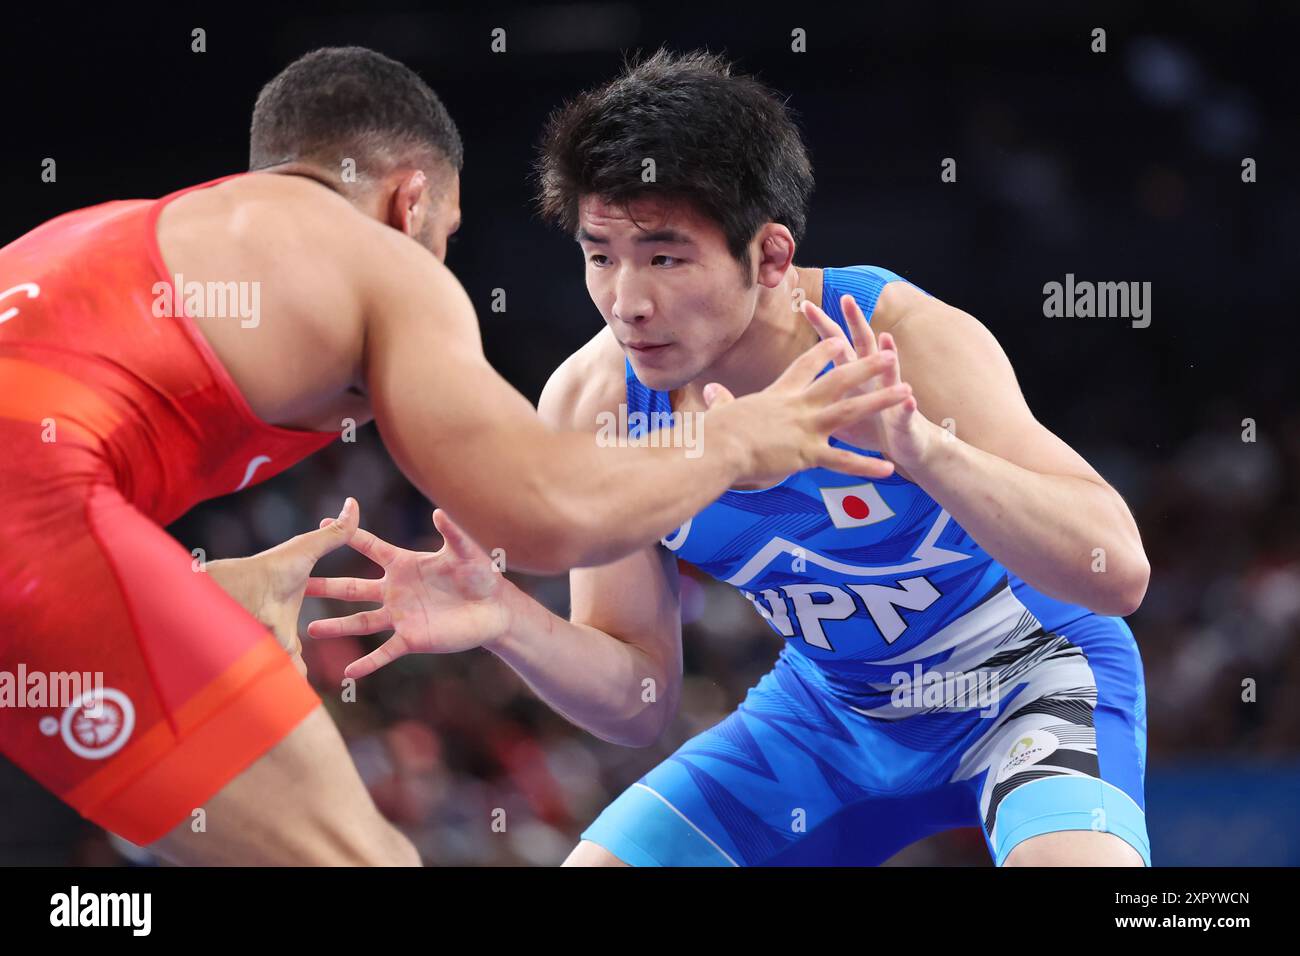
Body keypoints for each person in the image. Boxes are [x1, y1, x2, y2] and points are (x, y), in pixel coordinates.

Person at [0, 46, 898, 865]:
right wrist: (740, 438)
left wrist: (186, 590)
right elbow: (547, 516)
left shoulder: (125, 235)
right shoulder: (373, 258)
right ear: (413, 199)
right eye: (448, 234)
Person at [310, 50, 1152, 867]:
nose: (627, 303)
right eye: (600, 256)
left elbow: (1117, 574)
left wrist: (926, 451)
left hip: (1029, 677)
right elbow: (640, 701)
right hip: (830, 714)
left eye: (666, 258)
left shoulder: (904, 342)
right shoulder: (594, 405)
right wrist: (508, 620)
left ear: (772, 256)